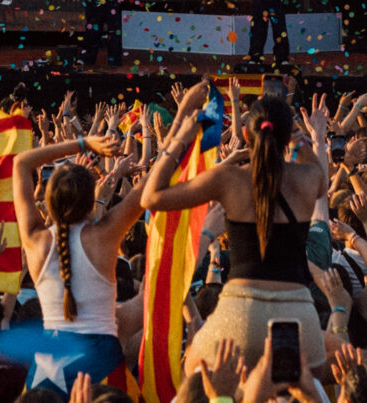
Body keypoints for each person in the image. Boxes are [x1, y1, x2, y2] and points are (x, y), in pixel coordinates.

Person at [141, 84, 331, 384]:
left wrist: (180, 135)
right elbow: (321, 176)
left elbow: (151, 198)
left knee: (192, 375)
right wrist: (303, 137)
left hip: (238, 314)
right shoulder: (309, 178)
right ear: (287, 134)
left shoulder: (227, 179)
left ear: (245, 134)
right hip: (299, 316)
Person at [10, 127, 140, 386]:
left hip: (45, 375)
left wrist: (85, 143)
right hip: (103, 368)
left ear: (48, 199)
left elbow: (21, 163)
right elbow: (154, 181)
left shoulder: (35, 240)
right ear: (91, 200)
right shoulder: (105, 236)